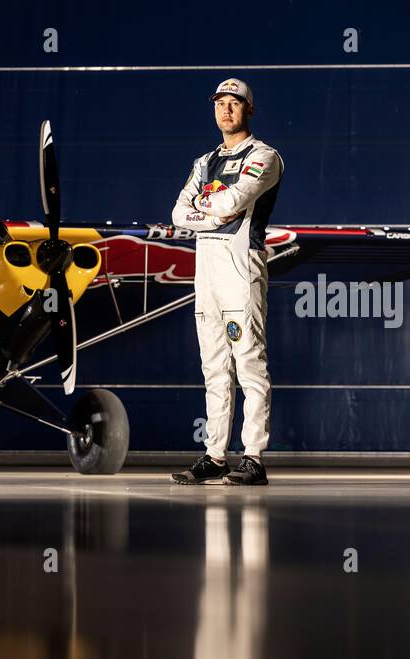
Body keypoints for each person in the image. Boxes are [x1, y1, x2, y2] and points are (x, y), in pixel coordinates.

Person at [170, 78, 283, 486]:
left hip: (241, 270)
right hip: (208, 276)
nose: (227, 110)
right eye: (220, 103)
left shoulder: (265, 156)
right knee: (214, 367)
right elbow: (179, 213)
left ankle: (253, 456)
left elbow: (235, 202)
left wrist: (209, 206)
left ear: (248, 110)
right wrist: (210, 211)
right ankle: (215, 455)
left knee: (249, 364)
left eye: (235, 103)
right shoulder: (204, 162)